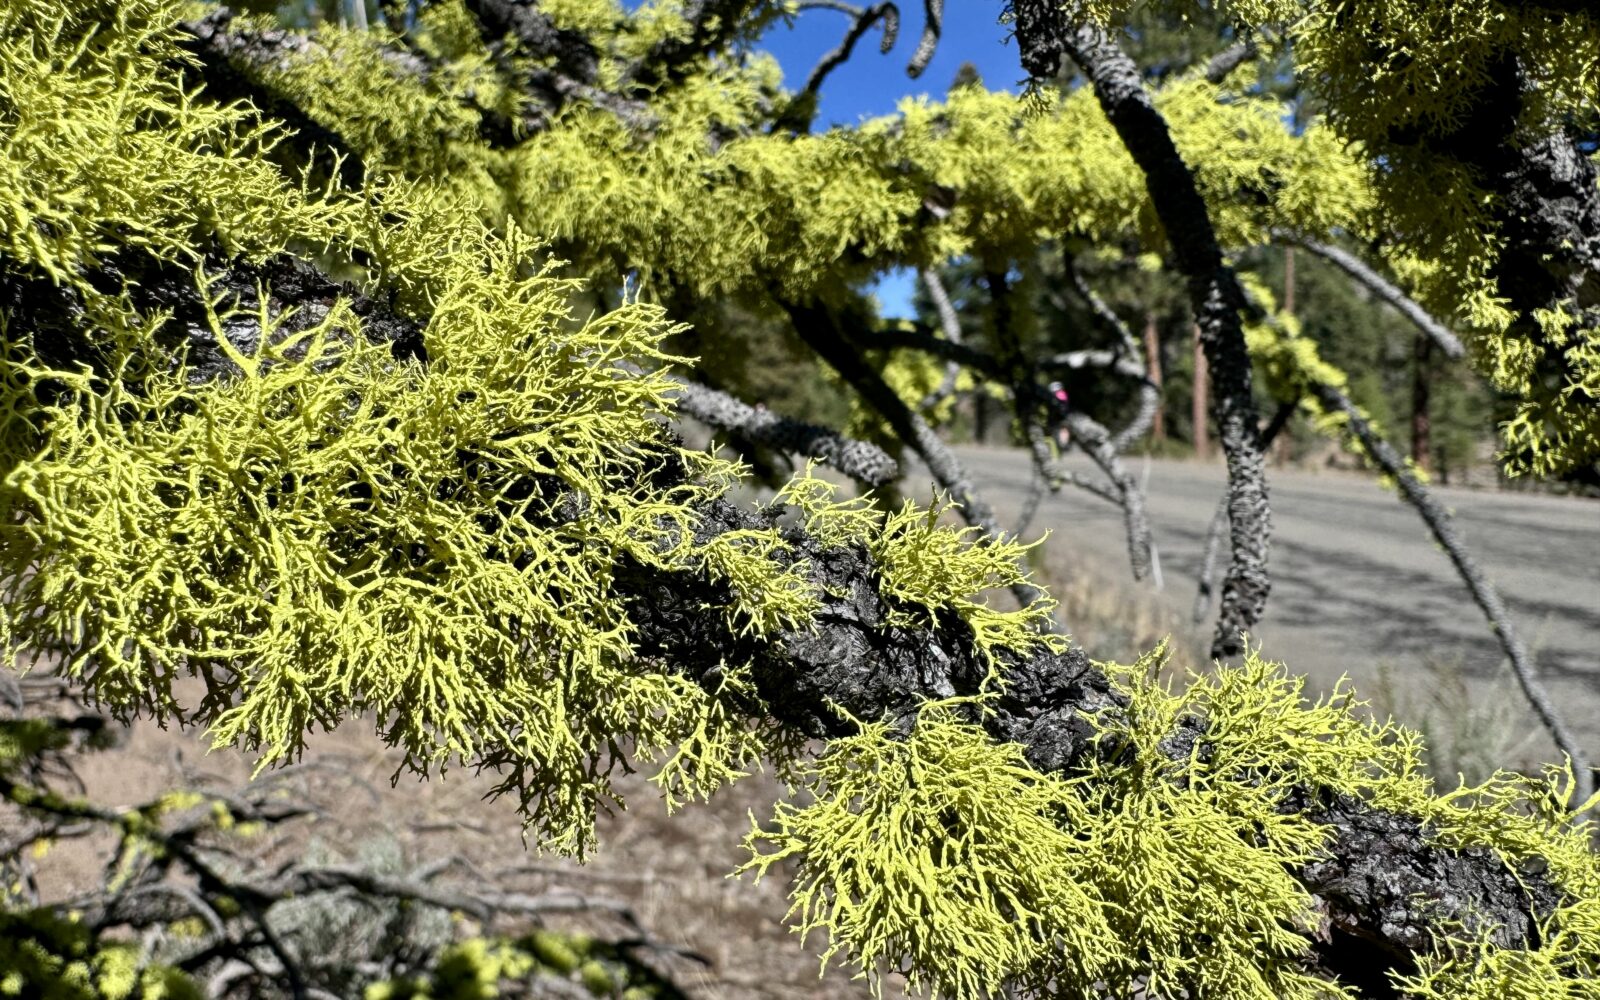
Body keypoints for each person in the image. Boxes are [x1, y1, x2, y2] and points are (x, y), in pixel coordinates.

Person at [1046, 380, 1072, 451]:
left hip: (1059, 416)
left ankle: (1062, 445)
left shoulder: (1058, 394)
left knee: (1062, 429)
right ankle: (1062, 445)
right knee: (1063, 429)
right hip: (1060, 416)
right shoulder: (1062, 394)